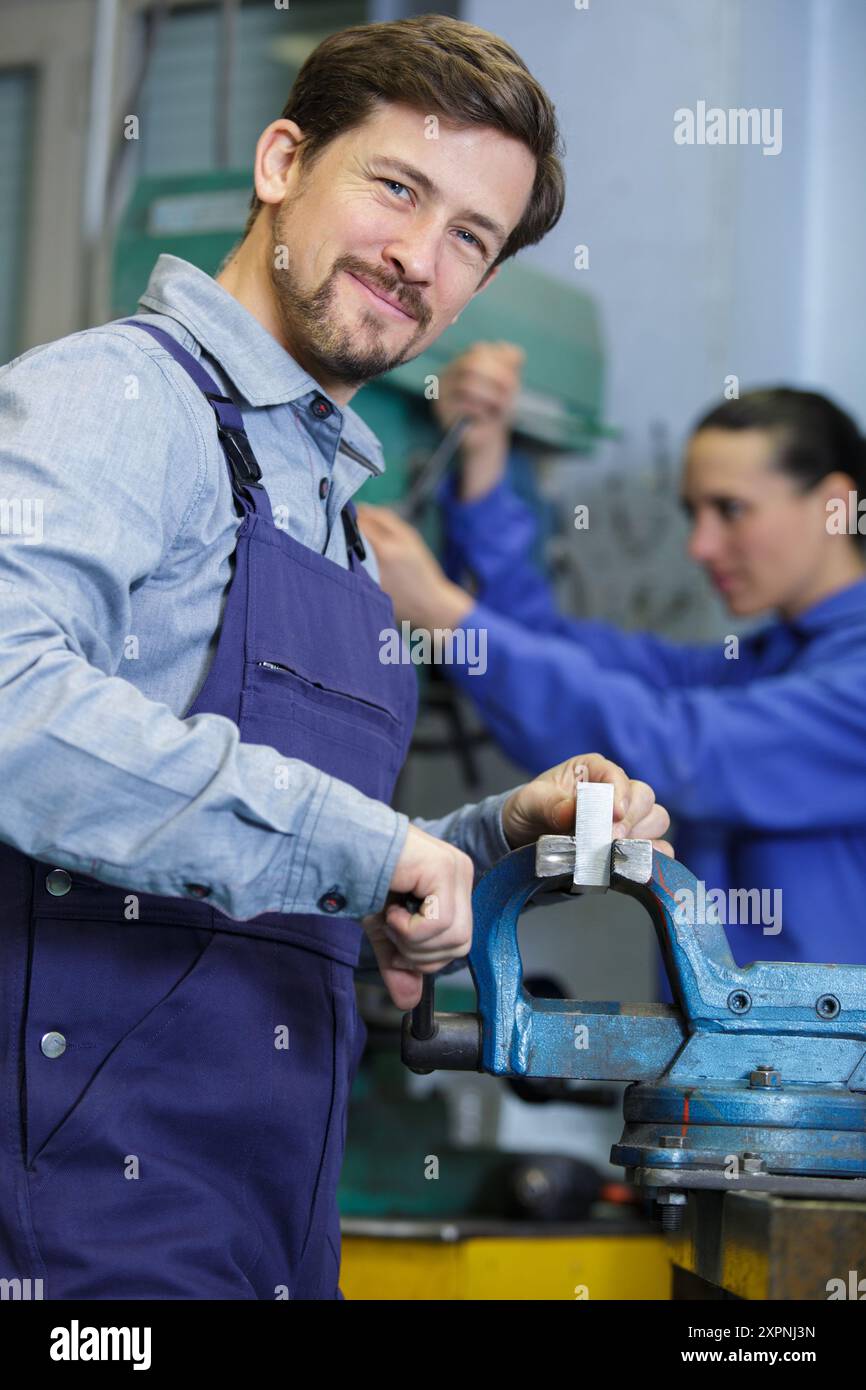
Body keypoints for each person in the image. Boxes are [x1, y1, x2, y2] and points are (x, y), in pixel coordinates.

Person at [0, 16, 670, 1301]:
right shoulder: (116, 402)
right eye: (396, 188)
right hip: (74, 1227)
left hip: (260, 1221)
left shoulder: (335, 520)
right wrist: (374, 849)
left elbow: (281, 857)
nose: (419, 258)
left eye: (469, 236)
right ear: (279, 161)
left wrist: (469, 843)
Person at [360, 350, 866, 973]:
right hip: (724, 1061)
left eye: (730, 510)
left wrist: (444, 617)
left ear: (834, 505)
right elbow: (545, 642)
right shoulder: (762, 663)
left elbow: (678, 747)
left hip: (826, 1069)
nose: (700, 546)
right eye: (693, 513)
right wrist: (486, 460)